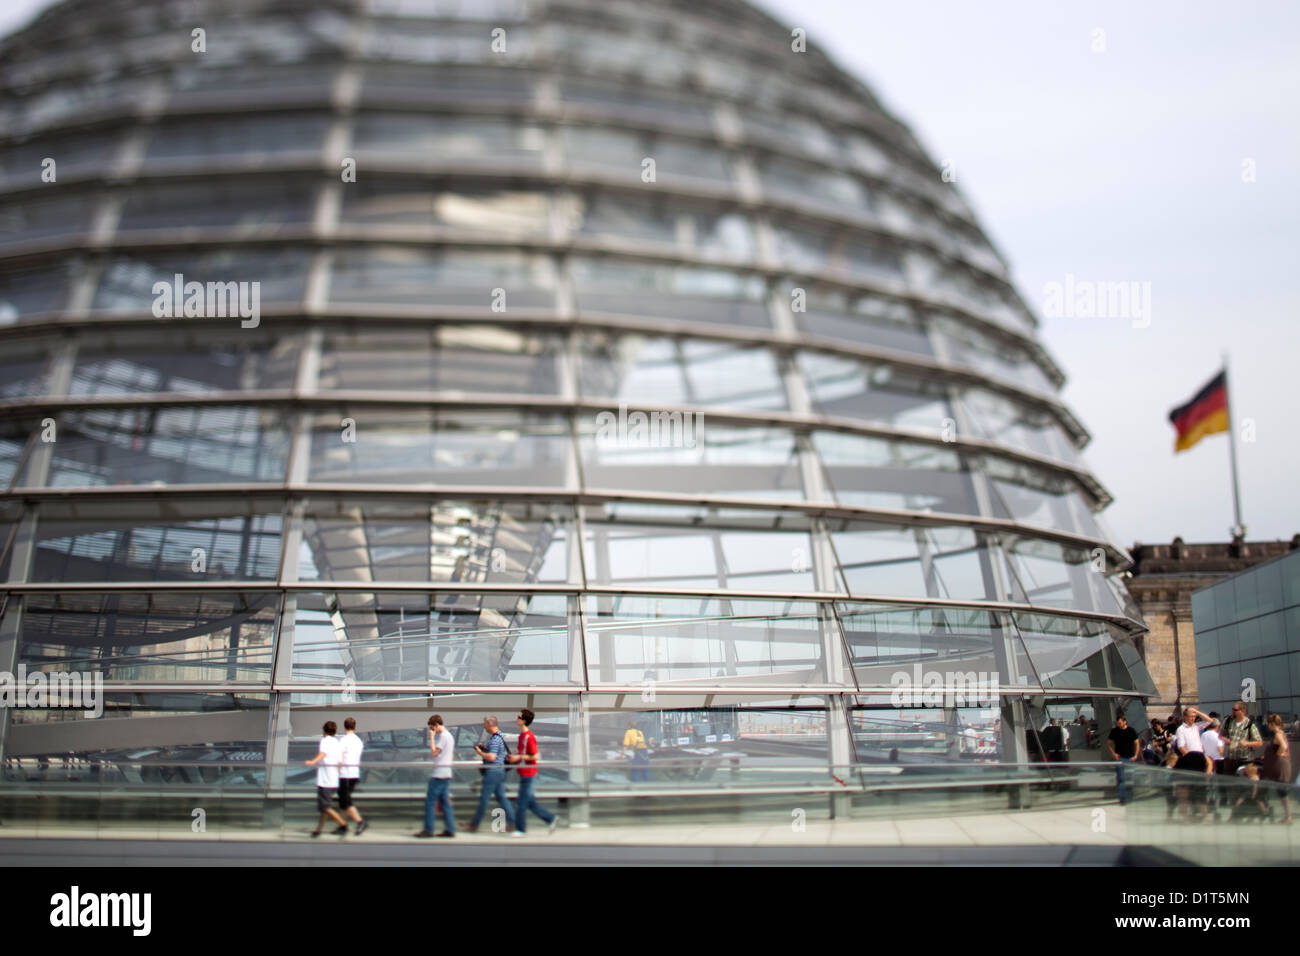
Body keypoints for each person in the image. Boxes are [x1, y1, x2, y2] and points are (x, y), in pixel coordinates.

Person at [507, 708, 558, 837]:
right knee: (530, 802)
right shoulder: (522, 736)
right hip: (524, 772)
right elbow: (523, 754)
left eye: (518, 717)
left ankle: (521, 830)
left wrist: (518, 757)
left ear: (524, 720)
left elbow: (535, 756)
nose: (516, 719)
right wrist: (515, 757)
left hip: (529, 774)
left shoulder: (529, 737)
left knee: (521, 803)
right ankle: (550, 819)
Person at [467, 716, 515, 834]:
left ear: (489, 724)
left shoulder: (494, 739)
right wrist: (485, 749)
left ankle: (474, 825)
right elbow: (497, 753)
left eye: (485, 724)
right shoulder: (500, 736)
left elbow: (492, 757)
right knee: (502, 798)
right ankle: (513, 823)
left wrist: (480, 752)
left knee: (484, 798)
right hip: (500, 770)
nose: (484, 726)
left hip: (493, 771)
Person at [305, 721, 348, 837]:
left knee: (324, 806)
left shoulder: (325, 741)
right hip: (334, 779)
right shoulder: (337, 743)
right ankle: (318, 830)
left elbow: (323, 753)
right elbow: (340, 761)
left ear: (324, 730)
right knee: (325, 807)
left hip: (325, 780)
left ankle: (343, 824)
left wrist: (312, 762)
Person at [416, 714, 456, 838]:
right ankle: (450, 829)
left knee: (430, 802)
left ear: (437, 725)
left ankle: (428, 830)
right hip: (446, 773)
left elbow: (434, 753)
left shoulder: (443, 737)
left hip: (439, 774)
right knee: (445, 803)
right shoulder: (450, 736)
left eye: (433, 728)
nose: (433, 731)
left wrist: (432, 738)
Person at [1171, 705, 1213, 821]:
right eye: (1191, 716)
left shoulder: (1196, 727)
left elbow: (1210, 721)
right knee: (1186, 790)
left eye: (1194, 717)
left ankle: (1204, 815)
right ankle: (1185, 816)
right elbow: (1181, 747)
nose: (1193, 719)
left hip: (1200, 758)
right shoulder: (1181, 729)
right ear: (1185, 717)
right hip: (1190, 759)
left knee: (1201, 790)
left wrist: (1197, 712)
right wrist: (1191, 758)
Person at [1260, 713, 1293, 824]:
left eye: (1269, 723)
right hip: (1278, 766)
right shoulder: (1281, 733)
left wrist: (1277, 755)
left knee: (1282, 792)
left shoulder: (1278, 734)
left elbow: (1283, 746)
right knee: (1281, 792)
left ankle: (1288, 816)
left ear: (1272, 724)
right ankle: (1287, 816)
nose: (1268, 726)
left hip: (1279, 767)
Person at [338, 717, 367, 835]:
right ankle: (342, 825)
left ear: (344, 727)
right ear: (354, 727)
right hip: (355, 774)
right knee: (345, 800)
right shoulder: (358, 741)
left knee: (345, 801)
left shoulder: (343, 740)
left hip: (345, 774)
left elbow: (340, 759)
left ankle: (360, 821)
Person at [1220, 701, 1264, 776]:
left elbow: (1259, 742)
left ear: (1242, 711)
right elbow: (1220, 735)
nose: (1232, 712)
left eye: (1235, 710)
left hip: (1244, 759)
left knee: (1243, 783)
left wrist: (1247, 743)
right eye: (1232, 709)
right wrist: (1225, 740)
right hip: (1230, 759)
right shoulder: (1228, 721)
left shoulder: (1249, 724)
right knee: (1229, 782)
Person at [1106, 712, 1140, 804]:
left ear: (1125, 722)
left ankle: (1130, 797)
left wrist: (1136, 755)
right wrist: (1114, 754)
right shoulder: (1115, 731)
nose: (1119, 725)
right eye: (1118, 723)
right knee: (1121, 779)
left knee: (1130, 778)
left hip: (1130, 758)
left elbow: (1137, 743)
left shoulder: (1131, 731)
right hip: (1120, 758)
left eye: (1120, 723)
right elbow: (1109, 743)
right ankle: (1123, 799)